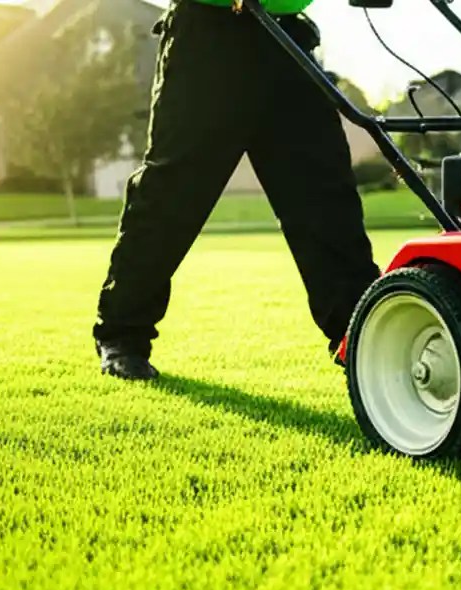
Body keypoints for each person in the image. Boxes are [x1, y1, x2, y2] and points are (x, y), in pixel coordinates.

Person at [91, 0, 382, 380]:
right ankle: (122, 335)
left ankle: (358, 334)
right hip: (208, 36)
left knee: (325, 198)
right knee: (171, 196)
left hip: (287, 37)